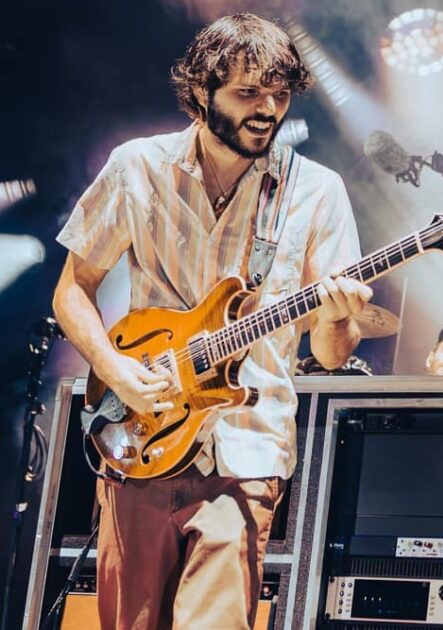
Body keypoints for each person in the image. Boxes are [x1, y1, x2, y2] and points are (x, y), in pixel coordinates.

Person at [51, 14, 371, 629]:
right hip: (142, 438)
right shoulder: (136, 166)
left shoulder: (315, 191)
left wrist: (336, 317)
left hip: (245, 451)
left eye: (280, 94)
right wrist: (115, 370)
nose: (267, 110)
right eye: (248, 92)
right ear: (202, 90)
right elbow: (72, 290)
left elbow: (333, 354)